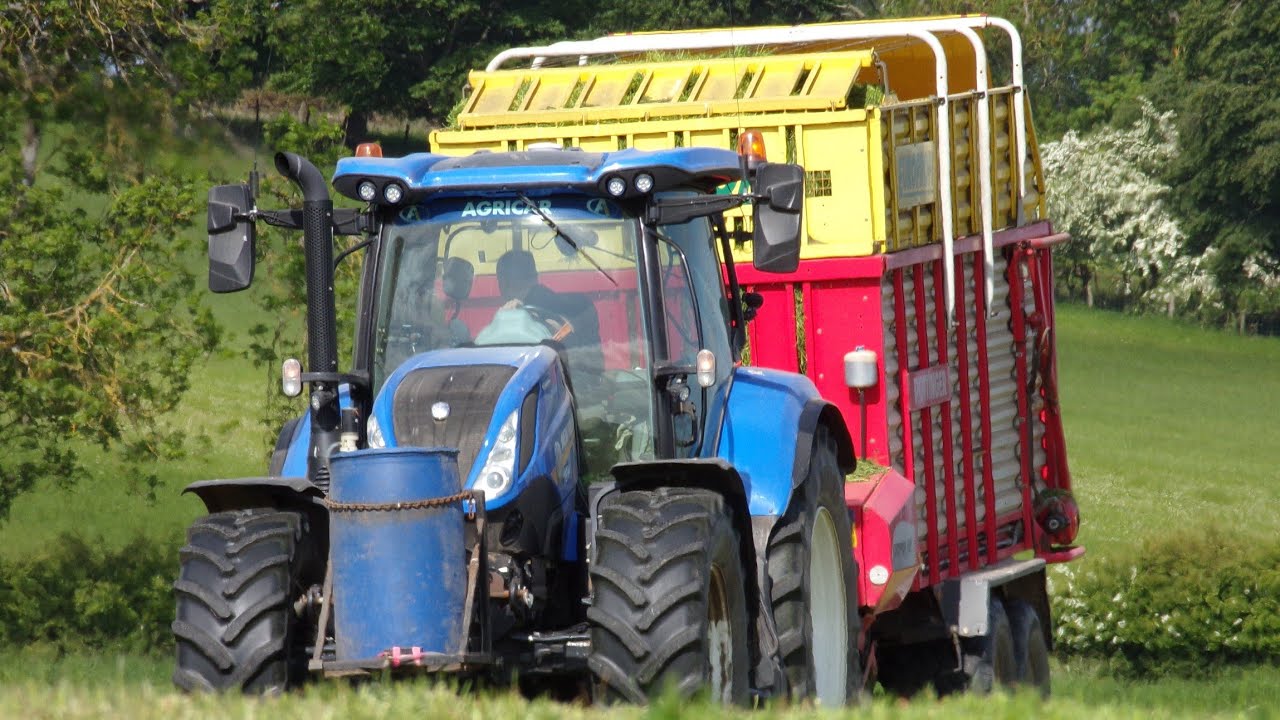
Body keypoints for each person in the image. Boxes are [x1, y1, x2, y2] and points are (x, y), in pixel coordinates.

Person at [480, 249, 603, 386]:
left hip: (570, 382)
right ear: (535, 277)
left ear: (502, 283)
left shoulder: (567, 309)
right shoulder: (579, 305)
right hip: (571, 384)